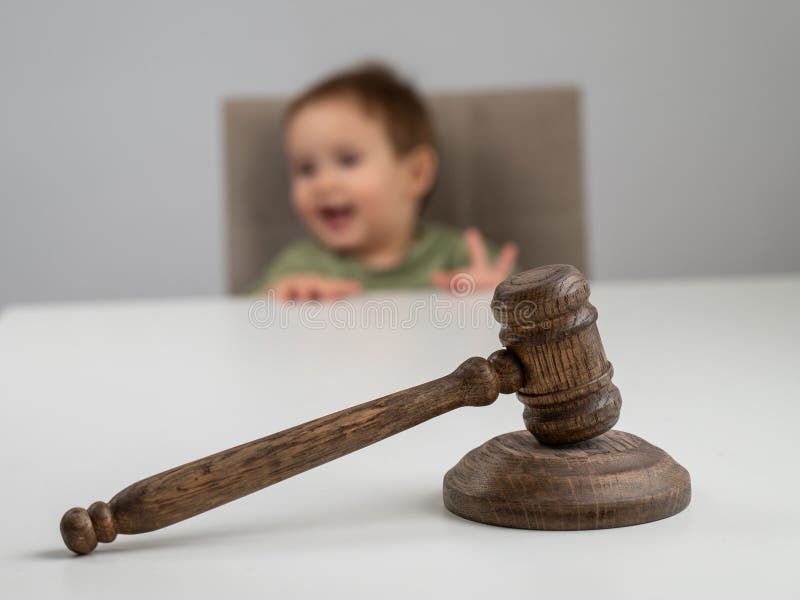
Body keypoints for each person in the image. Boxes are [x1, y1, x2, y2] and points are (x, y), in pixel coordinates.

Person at [255, 63, 517, 301]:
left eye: (348, 160)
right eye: (306, 169)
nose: (323, 184)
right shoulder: (300, 266)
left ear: (415, 174)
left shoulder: (459, 255)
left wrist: (491, 293)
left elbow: (528, 305)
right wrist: (278, 299)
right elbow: (244, 320)